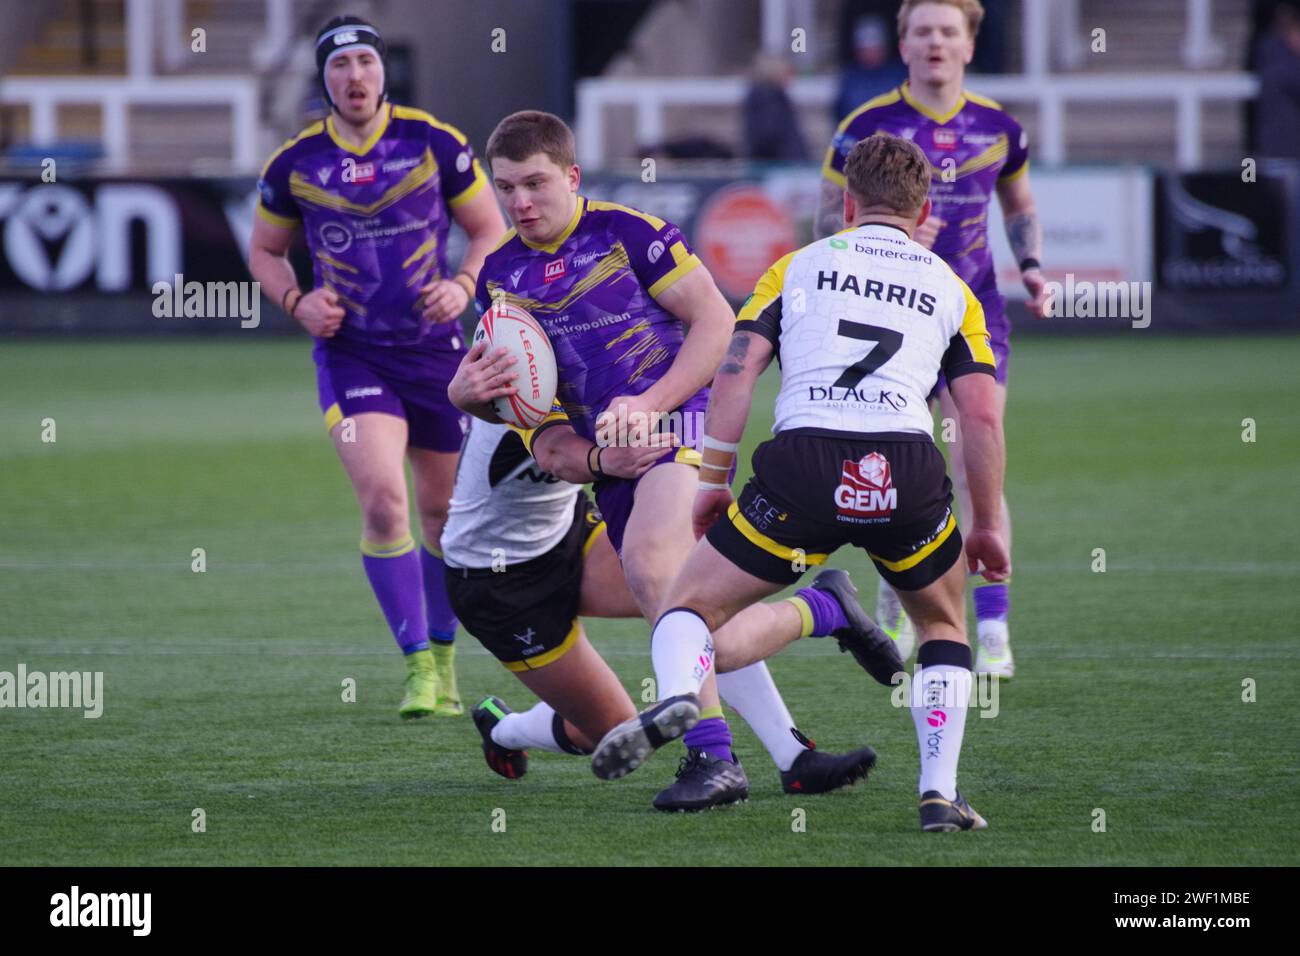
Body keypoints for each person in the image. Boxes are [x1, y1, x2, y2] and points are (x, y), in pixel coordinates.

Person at [456, 109, 901, 807]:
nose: (520, 202)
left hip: (675, 422)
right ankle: (806, 688)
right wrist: (487, 402)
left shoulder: (628, 233)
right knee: (696, 627)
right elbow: (539, 435)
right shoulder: (501, 277)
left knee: (653, 568)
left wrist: (651, 402)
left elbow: (716, 322)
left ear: (571, 176)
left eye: (535, 183)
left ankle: (712, 758)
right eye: (505, 187)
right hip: (615, 463)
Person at [592, 132, 1009, 832]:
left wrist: (714, 479)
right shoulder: (953, 289)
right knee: (940, 623)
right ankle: (939, 795)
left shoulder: (796, 266)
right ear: (923, 207)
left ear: (848, 203)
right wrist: (990, 521)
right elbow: (981, 418)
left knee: (687, 610)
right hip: (904, 471)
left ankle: (674, 696)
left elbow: (736, 370)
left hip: (802, 470)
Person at [247, 16, 507, 718]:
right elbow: (264, 252)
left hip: (435, 354)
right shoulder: (294, 163)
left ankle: (448, 662)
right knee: (384, 501)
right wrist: (296, 300)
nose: (354, 76)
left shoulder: (435, 143)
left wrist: (461, 285)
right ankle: (417, 666)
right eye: (339, 65)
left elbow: (489, 229)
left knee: (445, 513)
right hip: (351, 353)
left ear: (383, 71)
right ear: (323, 78)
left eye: (365, 61)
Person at [435, 413, 878, 810]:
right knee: (605, 729)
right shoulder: (526, 355)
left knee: (693, 607)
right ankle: (503, 729)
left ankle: (792, 755)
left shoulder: (578, 345)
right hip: (496, 582)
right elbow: (557, 455)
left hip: (569, 535)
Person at [815, 0, 1044, 678]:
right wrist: (887, 242)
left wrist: (1031, 267)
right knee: (906, 463)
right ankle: (898, 592)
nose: (936, 42)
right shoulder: (865, 126)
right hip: (892, 316)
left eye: (949, 31)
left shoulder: (1001, 128)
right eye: (923, 31)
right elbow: (830, 222)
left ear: (970, 45)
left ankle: (994, 629)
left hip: (974, 314)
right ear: (903, 43)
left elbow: (1020, 205)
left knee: (981, 460)